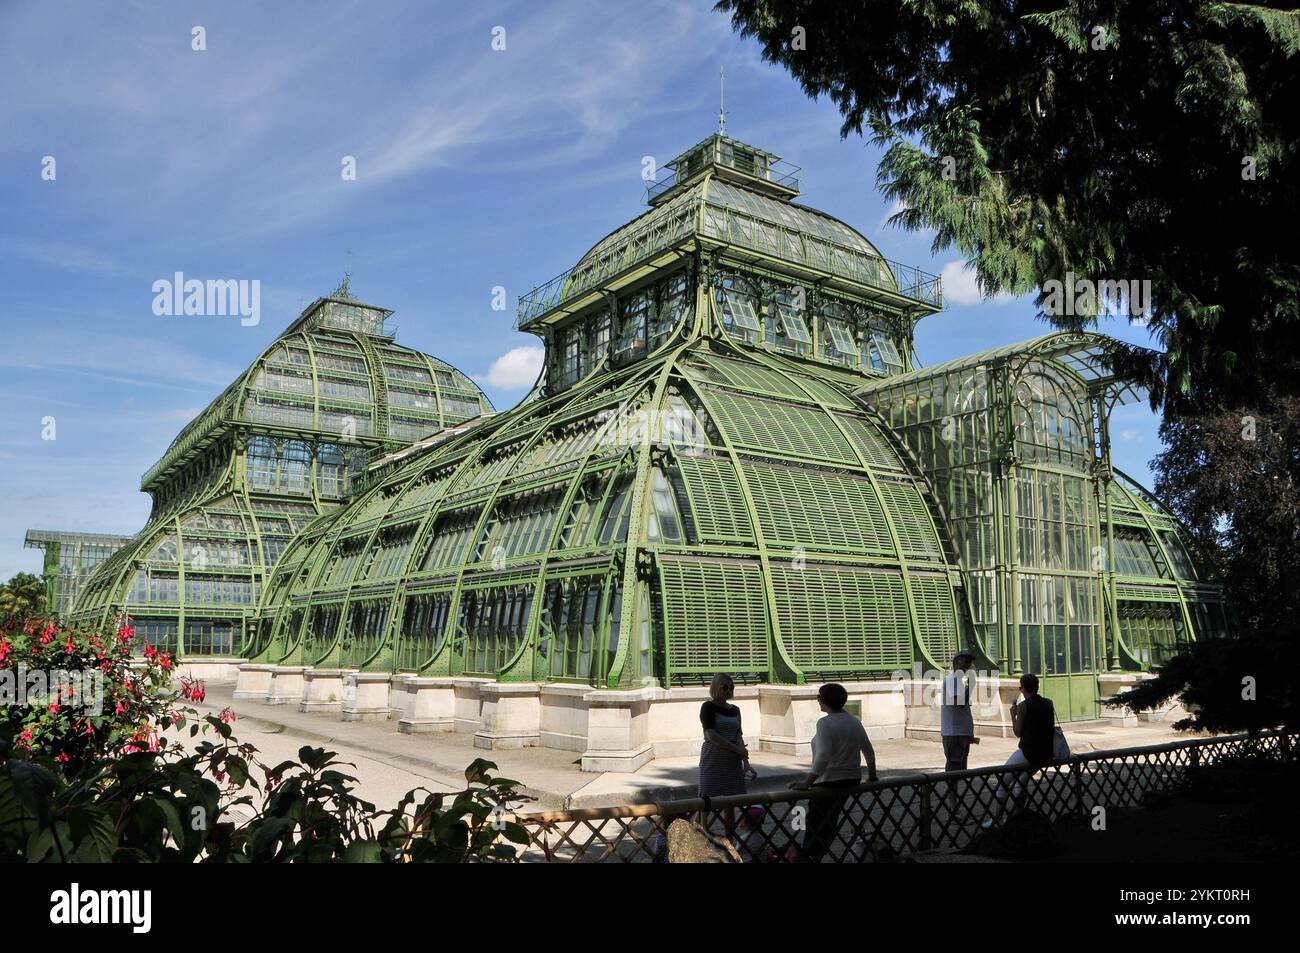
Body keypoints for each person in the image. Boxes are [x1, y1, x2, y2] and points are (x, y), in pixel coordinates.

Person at [788, 683, 878, 861]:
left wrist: (807, 782)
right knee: (829, 821)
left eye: (819, 696)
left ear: (823, 700)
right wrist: (872, 775)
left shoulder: (824, 723)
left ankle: (808, 856)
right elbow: (868, 750)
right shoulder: (854, 721)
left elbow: (823, 755)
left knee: (816, 822)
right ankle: (814, 854)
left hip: (829, 780)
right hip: (852, 778)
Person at [983, 672, 1056, 828]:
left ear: (1023, 689)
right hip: (1045, 752)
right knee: (1020, 783)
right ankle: (1018, 817)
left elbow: (1017, 732)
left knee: (1003, 780)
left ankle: (997, 819)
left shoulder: (1023, 706)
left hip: (1028, 751)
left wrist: (1013, 715)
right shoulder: (1048, 703)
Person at [940, 649, 980, 816]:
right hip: (955, 734)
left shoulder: (957, 681)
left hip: (958, 733)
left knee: (957, 771)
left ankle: (953, 805)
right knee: (955, 771)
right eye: (966, 661)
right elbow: (960, 704)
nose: (969, 665)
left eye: (970, 662)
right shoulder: (953, 681)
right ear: (956, 663)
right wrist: (971, 686)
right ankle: (953, 807)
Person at [698, 673, 750, 799]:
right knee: (708, 798)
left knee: (733, 799)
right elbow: (711, 735)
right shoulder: (708, 707)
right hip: (714, 757)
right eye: (725, 687)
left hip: (732, 760)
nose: (729, 690)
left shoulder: (735, 709)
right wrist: (737, 749)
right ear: (716, 687)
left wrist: (746, 762)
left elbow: (738, 735)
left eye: (731, 687)